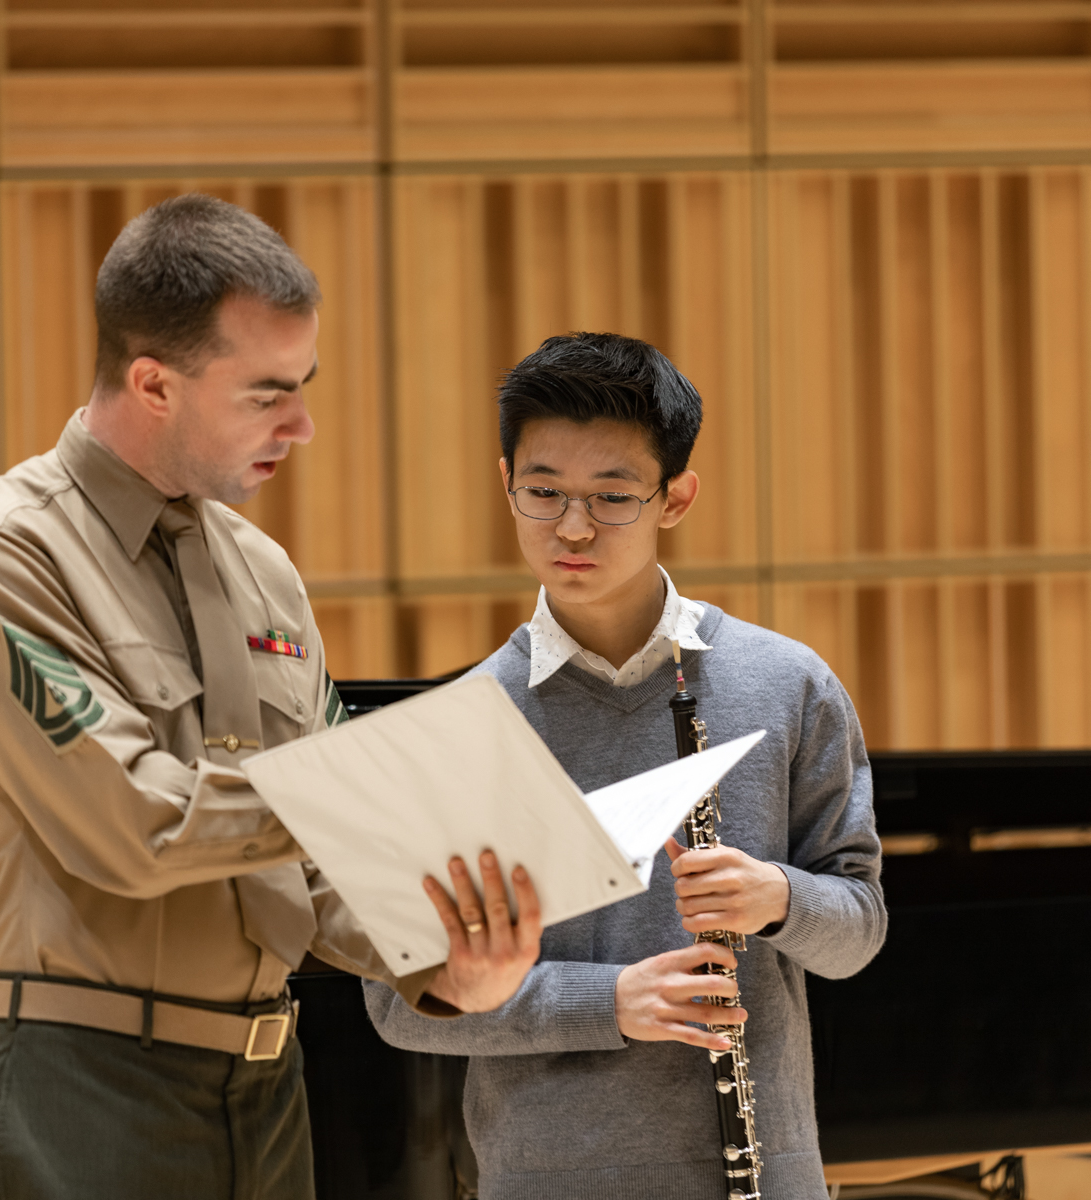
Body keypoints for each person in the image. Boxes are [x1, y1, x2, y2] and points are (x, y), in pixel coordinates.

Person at [0, 194, 539, 1200]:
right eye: (266, 393)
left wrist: (442, 968)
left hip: (269, 1081)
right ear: (153, 383)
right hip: (88, 1086)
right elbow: (138, 824)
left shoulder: (263, 570)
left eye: (305, 386)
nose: (304, 425)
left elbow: (322, 864)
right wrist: (379, 786)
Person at [364, 332, 888, 1199]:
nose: (573, 528)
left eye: (612, 497)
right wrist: (610, 1002)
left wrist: (778, 898)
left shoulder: (788, 684)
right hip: (547, 1180)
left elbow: (859, 930)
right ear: (505, 484)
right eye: (544, 493)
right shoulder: (456, 731)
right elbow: (398, 1004)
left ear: (674, 498)